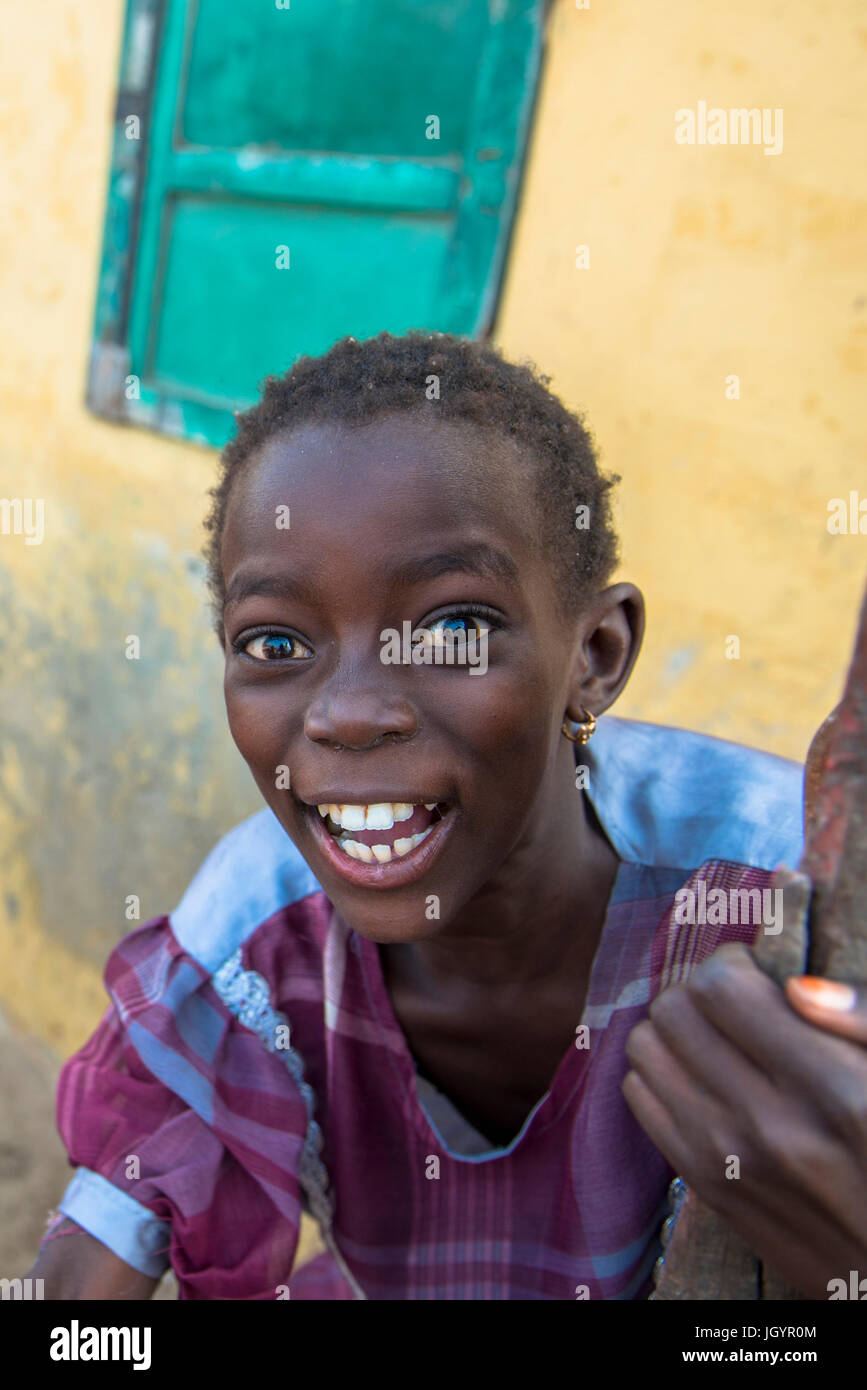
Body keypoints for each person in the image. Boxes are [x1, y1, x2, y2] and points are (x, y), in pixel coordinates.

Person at [27, 333, 867, 1299]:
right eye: (274, 639)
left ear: (593, 652)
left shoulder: (782, 907)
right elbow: (83, 1280)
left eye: (453, 627)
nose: (345, 712)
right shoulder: (255, 931)